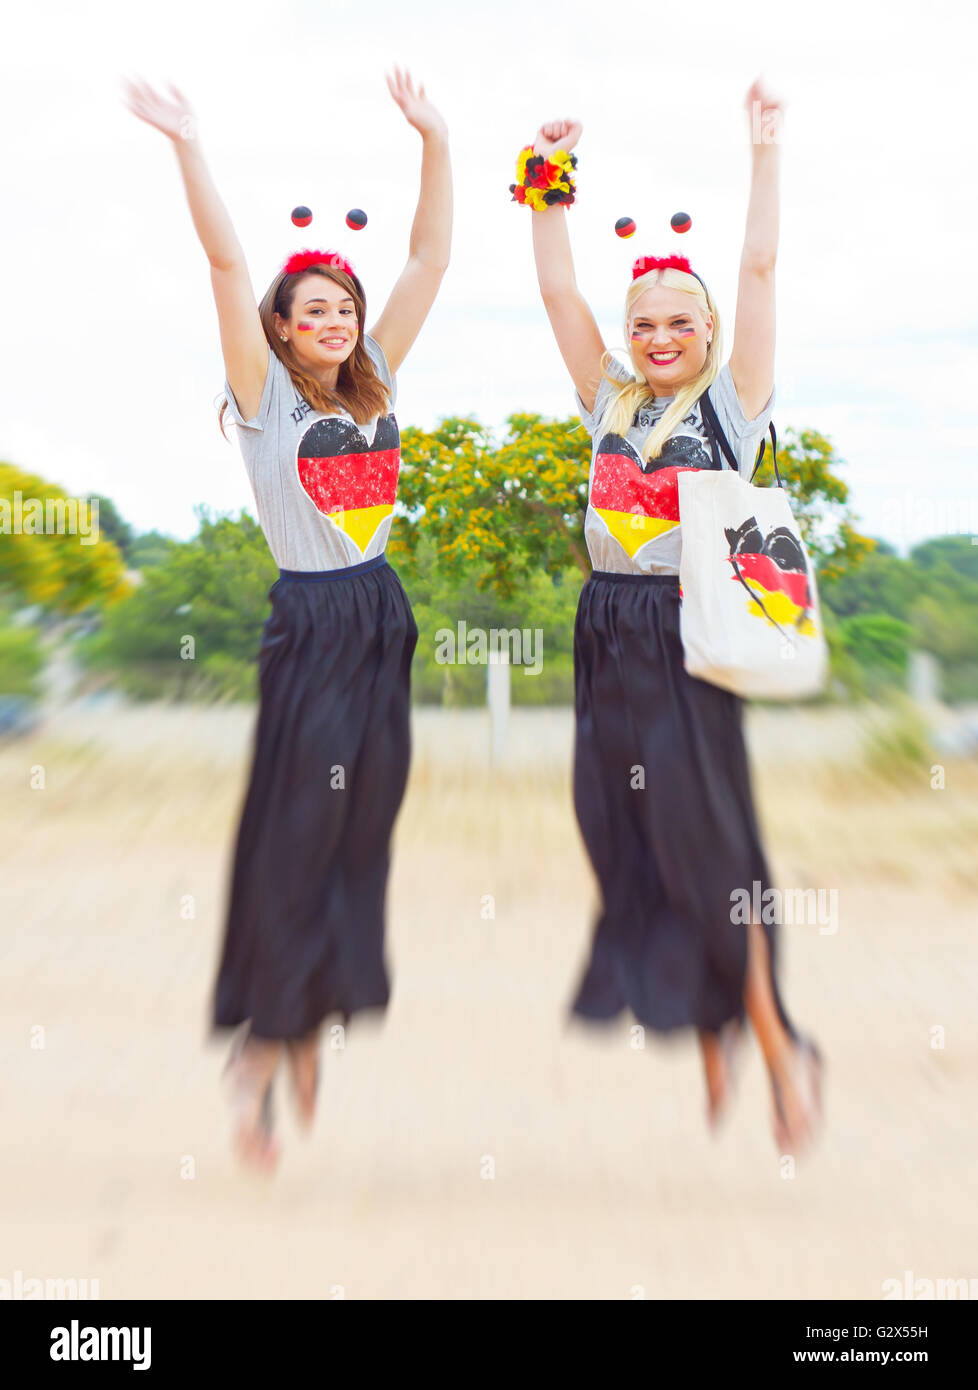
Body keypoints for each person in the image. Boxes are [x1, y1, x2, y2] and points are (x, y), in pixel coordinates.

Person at [122, 68, 452, 1172]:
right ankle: (261, 1050)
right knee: (297, 837)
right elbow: (223, 259)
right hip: (311, 629)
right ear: (280, 323)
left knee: (361, 838)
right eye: (311, 307)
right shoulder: (265, 400)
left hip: (381, 618)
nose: (332, 319)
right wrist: (187, 141)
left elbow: (428, 259)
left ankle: (311, 1015)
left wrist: (435, 137)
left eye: (342, 309)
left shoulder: (379, 387)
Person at [519, 79, 823, 1156]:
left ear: (707, 333)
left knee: (709, 845)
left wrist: (764, 147)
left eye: (676, 323)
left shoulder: (732, 408)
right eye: (643, 323)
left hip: (689, 645)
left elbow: (760, 268)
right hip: (605, 637)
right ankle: (708, 1022)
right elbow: (560, 296)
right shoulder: (607, 397)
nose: (655, 337)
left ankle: (772, 1030)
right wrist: (548, 177)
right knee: (626, 842)